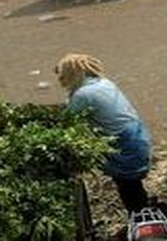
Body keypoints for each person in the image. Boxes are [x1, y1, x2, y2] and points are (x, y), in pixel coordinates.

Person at [55, 54, 152, 213]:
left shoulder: (83, 94)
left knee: (127, 188)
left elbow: (68, 120)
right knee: (132, 185)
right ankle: (143, 211)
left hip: (124, 143)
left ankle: (140, 216)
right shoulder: (104, 83)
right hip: (138, 135)